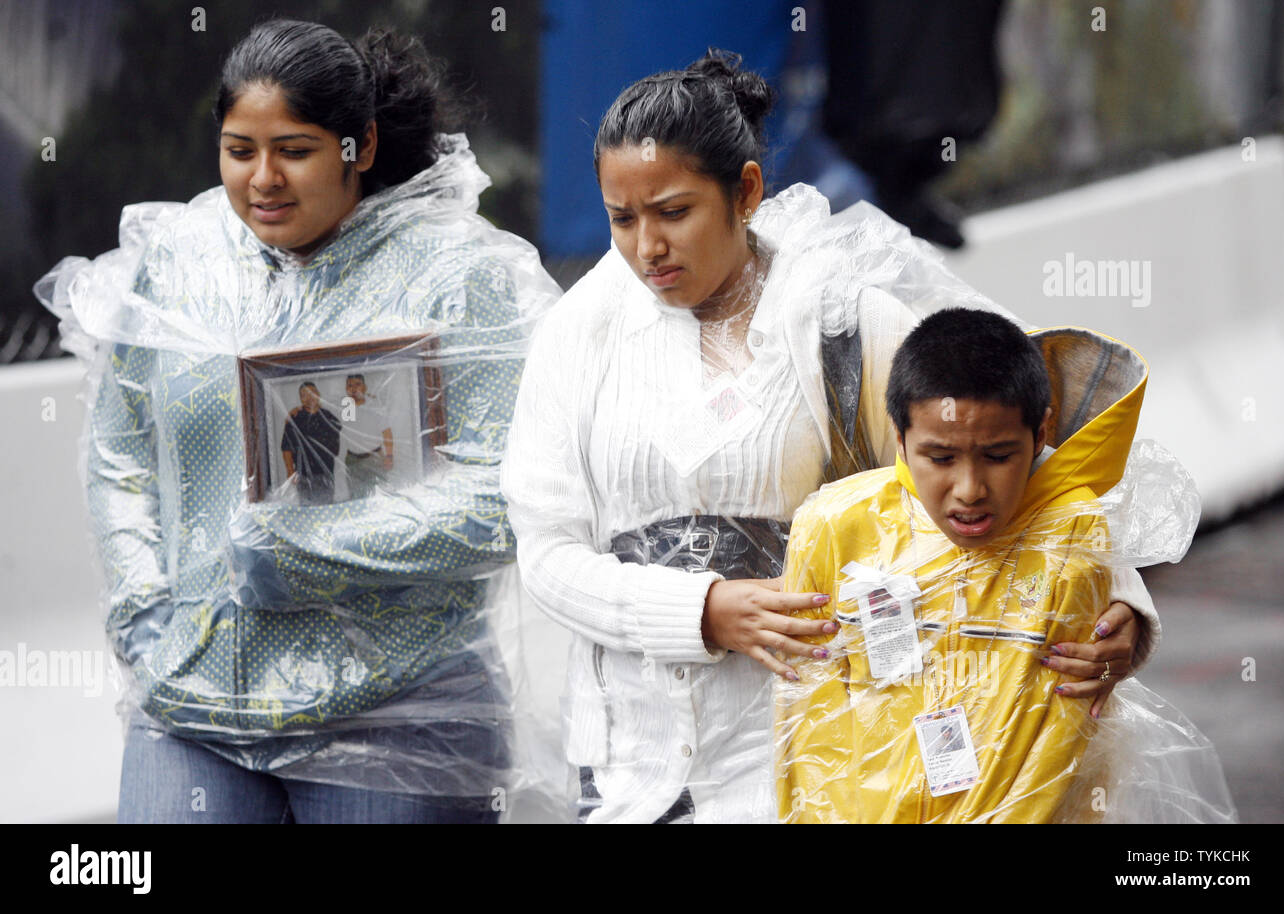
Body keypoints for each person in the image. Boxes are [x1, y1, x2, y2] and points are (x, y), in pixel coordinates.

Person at [501, 50, 1158, 824]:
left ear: (744, 191)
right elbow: (545, 552)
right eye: (623, 218)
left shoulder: (841, 325)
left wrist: (1121, 607)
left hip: (817, 759)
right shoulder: (578, 335)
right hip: (625, 773)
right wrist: (701, 612)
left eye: (674, 212)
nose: (647, 247)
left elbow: (989, 463)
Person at [36, 19, 558, 823]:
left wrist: (309, 552)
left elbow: (507, 497)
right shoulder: (181, 257)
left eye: (296, 149)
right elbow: (120, 452)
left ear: (362, 146)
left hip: (396, 707)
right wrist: (144, 610)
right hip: (197, 701)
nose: (263, 179)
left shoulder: (458, 273)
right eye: (240, 149)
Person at [775, 309, 1235, 823]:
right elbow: (810, 722)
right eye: (941, 458)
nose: (970, 490)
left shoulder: (1071, 535)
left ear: (1040, 435)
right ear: (900, 439)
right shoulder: (833, 526)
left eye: (997, 456)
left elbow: (1057, 736)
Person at [281, 381, 343, 504]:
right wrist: (289, 470)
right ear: (300, 398)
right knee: (306, 506)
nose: (310, 397)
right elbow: (286, 447)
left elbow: (336, 444)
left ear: (318, 394)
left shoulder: (329, 417)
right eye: (304, 395)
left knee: (326, 504)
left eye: (313, 393)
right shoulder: (295, 418)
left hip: (325, 472)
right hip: (302, 474)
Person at [340, 374, 394, 499]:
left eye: (358, 384)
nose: (353, 388)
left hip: (374, 458)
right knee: (356, 497)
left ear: (365, 387)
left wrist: (389, 456)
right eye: (350, 385)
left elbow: (387, 433)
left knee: (380, 496)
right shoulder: (343, 407)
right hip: (352, 460)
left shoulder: (375, 406)